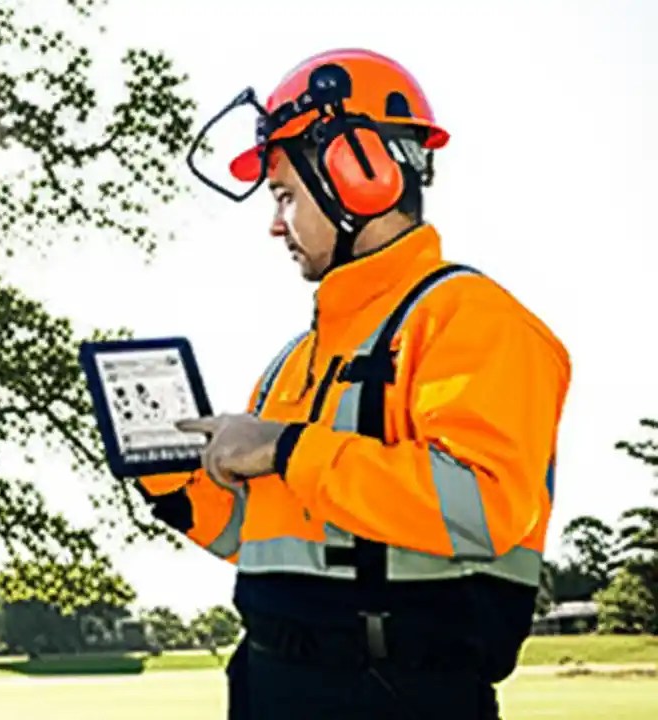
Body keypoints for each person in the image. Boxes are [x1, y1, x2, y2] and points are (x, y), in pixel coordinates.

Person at [134, 48, 572, 719]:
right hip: (270, 687)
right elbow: (268, 539)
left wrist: (284, 448)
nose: (275, 224)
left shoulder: (471, 320)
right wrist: (173, 483)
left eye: (284, 195)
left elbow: (482, 506)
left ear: (358, 172)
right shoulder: (293, 360)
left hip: (399, 696)